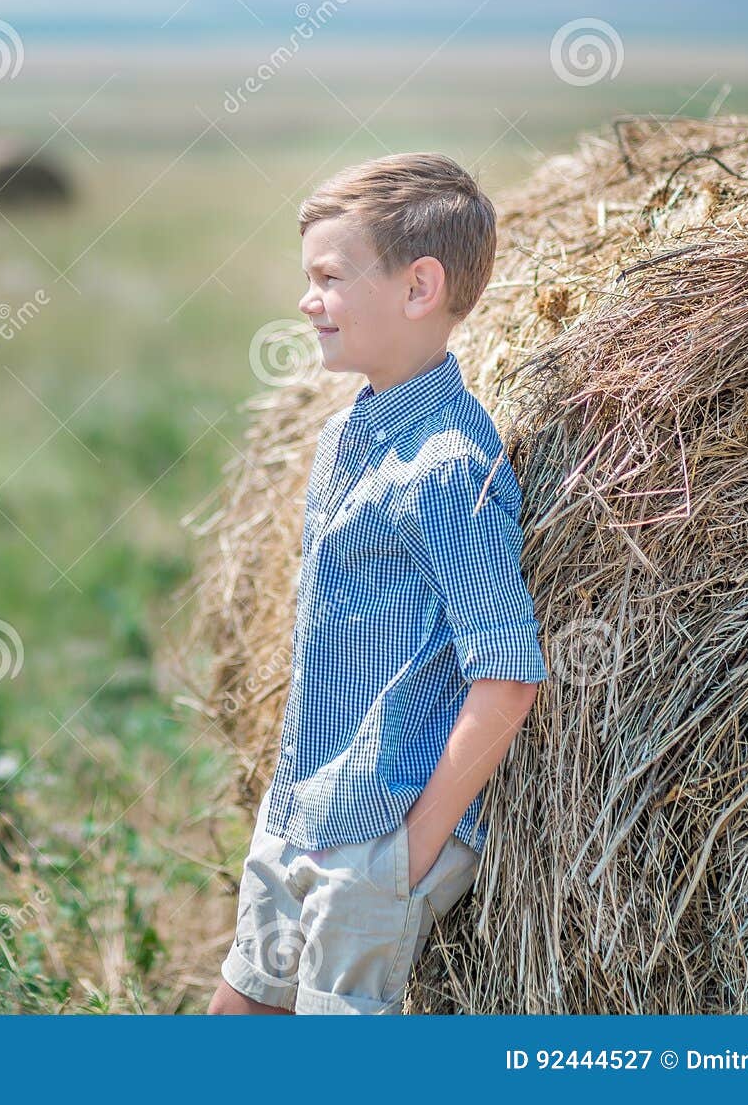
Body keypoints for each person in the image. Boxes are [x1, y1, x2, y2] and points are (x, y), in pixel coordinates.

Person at [209, 153, 547, 1015]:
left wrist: (407, 853)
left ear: (418, 287)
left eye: (327, 276)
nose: (305, 298)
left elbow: (507, 679)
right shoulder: (344, 438)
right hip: (302, 805)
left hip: (379, 831)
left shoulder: (447, 467)